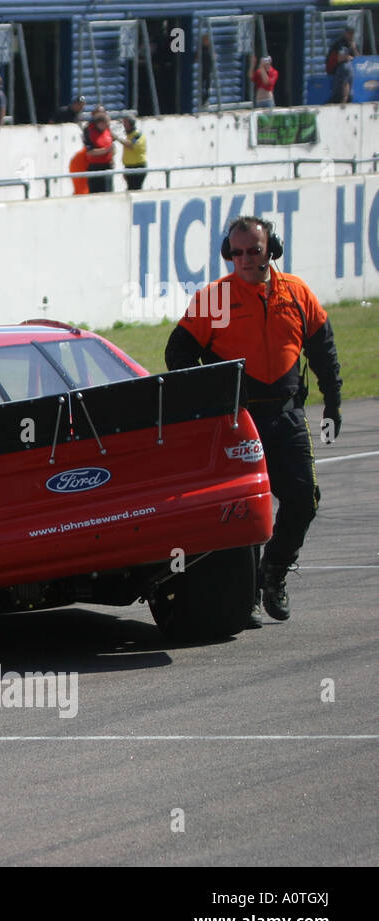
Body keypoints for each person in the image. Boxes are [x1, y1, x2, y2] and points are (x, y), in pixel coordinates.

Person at [165, 216, 342, 623]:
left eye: (254, 250)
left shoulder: (297, 293)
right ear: (229, 253)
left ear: (272, 249)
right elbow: (178, 356)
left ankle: (273, 574)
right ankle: (238, 594)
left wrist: (333, 402)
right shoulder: (214, 298)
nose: (245, 259)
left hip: (286, 416)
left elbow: (324, 350)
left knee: (302, 501)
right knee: (239, 509)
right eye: (238, 252)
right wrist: (212, 401)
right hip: (237, 422)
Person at [82, 105, 114, 193]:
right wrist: (106, 150)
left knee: (108, 191)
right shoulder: (89, 130)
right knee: (96, 192)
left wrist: (112, 157)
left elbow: (111, 145)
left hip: (107, 166)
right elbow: (90, 151)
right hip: (95, 166)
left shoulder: (107, 129)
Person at [116, 114, 146, 191]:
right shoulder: (129, 135)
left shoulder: (137, 134)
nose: (124, 125)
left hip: (137, 166)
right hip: (129, 167)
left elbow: (132, 145)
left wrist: (118, 138)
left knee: (136, 189)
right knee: (130, 188)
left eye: (125, 123)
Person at [328, 28, 358, 104]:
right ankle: (343, 97)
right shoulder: (340, 43)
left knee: (349, 68)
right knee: (346, 67)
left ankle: (348, 95)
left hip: (347, 71)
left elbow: (358, 58)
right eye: (349, 33)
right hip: (336, 68)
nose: (351, 36)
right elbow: (340, 58)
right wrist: (349, 57)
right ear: (345, 33)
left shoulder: (351, 44)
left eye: (352, 34)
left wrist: (354, 48)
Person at [200, 34, 215, 106]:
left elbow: (214, 58)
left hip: (208, 70)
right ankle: (203, 100)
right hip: (203, 70)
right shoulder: (201, 49)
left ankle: (206, 100)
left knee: (207, 87)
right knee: (202, 86)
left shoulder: (210, 49)